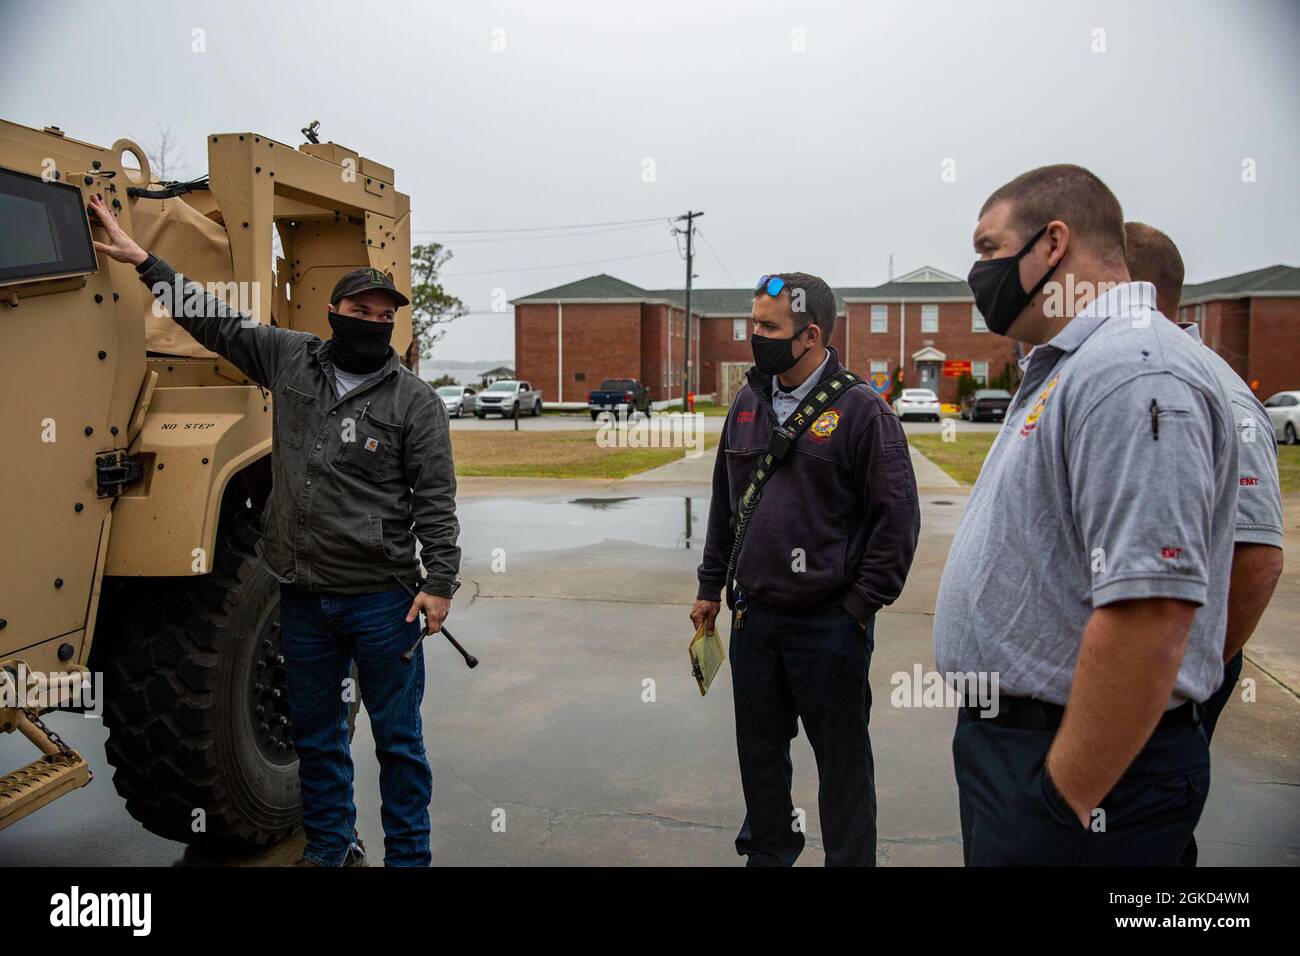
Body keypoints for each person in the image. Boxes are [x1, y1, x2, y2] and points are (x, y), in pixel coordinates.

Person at [87, 194, 460, 867]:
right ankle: (330, 850)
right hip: (303, 599)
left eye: (385, 317)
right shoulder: (291, 361)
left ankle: (409, 860)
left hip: (383, 603)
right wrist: (144, 260)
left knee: (400, 746)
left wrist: (439, 584)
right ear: (333, 316)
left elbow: (436, 502)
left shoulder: (416, 403)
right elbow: (216, 324)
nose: (374, 324)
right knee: (317, 738)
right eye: (362, 313)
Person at [934, 165, 1239, 865]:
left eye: (988, 248)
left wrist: (1058, 803)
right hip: (1023, 747)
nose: (977, 273)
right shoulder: (1077, 363)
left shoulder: (1132, 371)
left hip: (1084, 778)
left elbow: (1151, 615)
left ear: (1053, 244)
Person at [692, 272, 920, 866]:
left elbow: (896, 523)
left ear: (811, 335)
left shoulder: (864, 412)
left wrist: (857, 608)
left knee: (842, 766)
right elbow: (726, 501)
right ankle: (768, 856)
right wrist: (710, 587)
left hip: (829, 629)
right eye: (752, 322)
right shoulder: (746, 403)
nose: (753, 336)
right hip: (755, 623)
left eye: (768, 327)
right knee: (760, 759)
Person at [1124, 221, 1285, 864]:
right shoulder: (1125, 374)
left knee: (1151, 836)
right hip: (1124, 665)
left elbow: (1257, 559)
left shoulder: (1216, 390)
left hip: (1175, 677)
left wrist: (1193, 672)